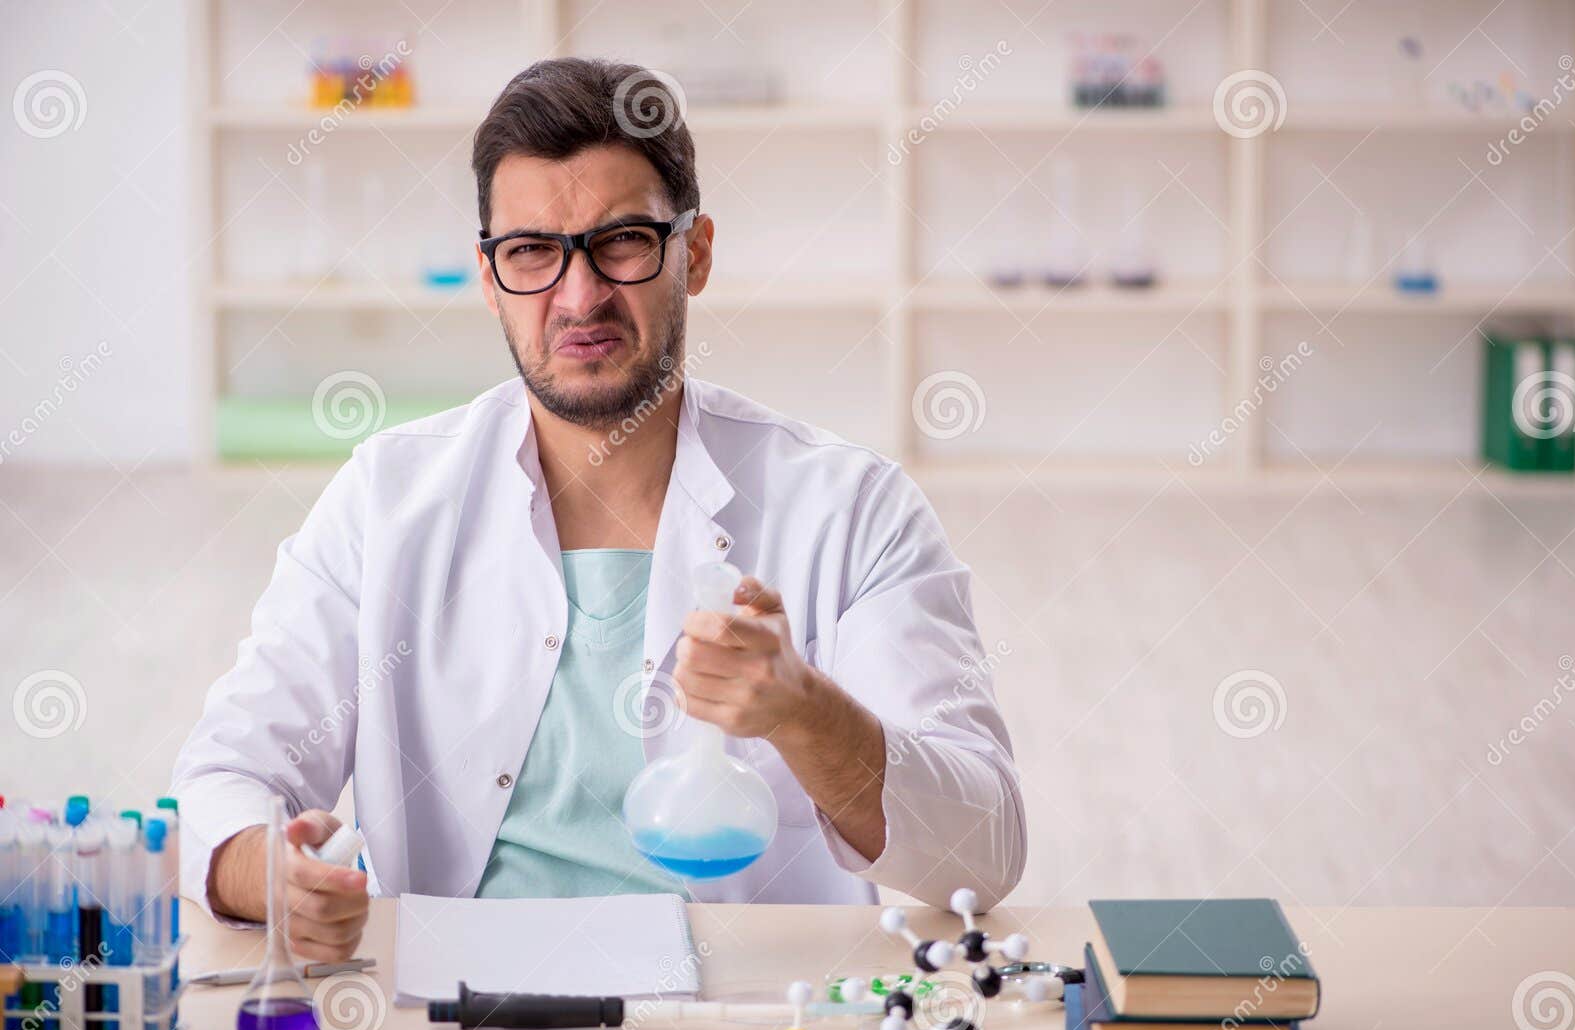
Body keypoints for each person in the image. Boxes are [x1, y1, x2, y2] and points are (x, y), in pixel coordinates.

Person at [170, 58, 1025, 963]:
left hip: (744, 1028)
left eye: (621, 241)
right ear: (490, 276)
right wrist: (268, 872)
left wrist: (808, 714)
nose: (579, 299)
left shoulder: (850, 507)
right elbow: (224, 777)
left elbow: (984, 849)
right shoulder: (387, 499)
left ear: (692, 254)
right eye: (533, 252)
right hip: (454, 1022)